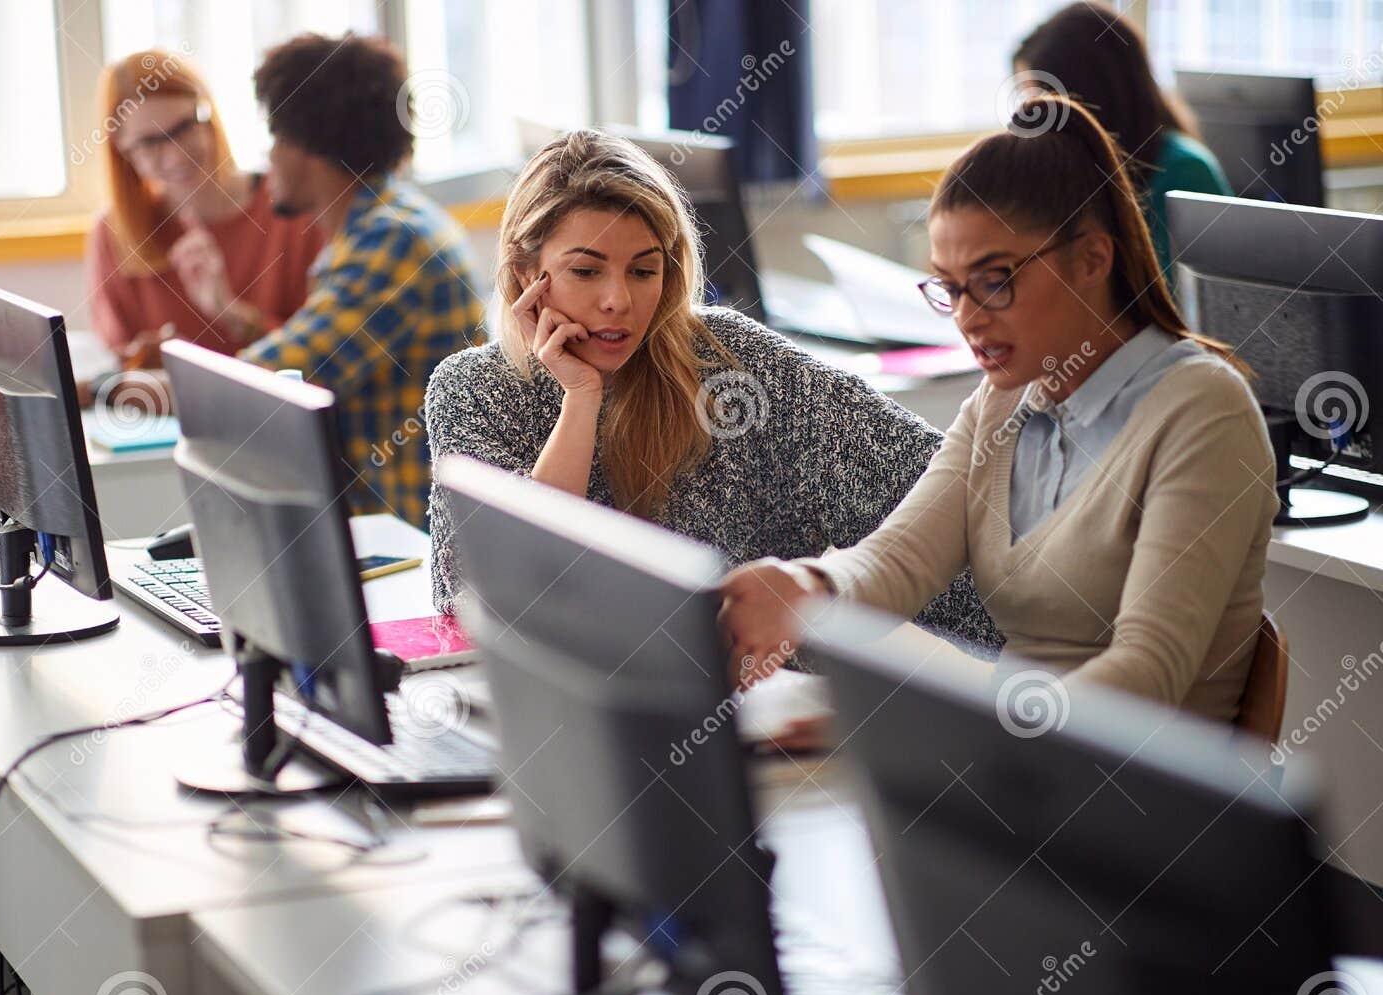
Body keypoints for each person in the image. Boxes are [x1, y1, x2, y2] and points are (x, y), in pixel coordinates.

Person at [720, 96, 1277, 726]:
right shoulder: (1005, 401)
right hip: (1018, 764)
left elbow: (1149, 674)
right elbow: (897, 560)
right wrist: (808, 585)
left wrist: (955, 731)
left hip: (1139, 777)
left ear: (1093, 259)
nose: (967, 317)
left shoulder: (1204, 410)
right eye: (951, 288)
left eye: (994, 280)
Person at [425, 129, 1002, 658]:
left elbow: (946, 503)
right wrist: (581, 399)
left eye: (643, 271)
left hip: (757, 710)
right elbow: (486, 597)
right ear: (527, 274)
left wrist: (1046, 633)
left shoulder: (734, 365)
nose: (618, 301)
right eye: (586, 271)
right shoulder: (472, 387)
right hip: (567, 709)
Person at [238, 33, 482, 528]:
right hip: (386, 531)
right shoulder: (377, 225)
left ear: (311, 146)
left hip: (417, 541)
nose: (269, 157)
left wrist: (120, 389)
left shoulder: (393, 242)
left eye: (277, 137)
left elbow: (272, 381)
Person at [85, 51, 325, 365]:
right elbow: (121, 367)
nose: (176, 156)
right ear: (123, 152)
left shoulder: (293, 208)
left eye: (184, 127)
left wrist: (233, 314)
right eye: (149, 142)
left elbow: (324, 357)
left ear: (208, 118)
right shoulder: (114, 234)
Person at [1013, 1, 1232, 283]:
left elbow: (1176, 297)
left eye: (1039, 99)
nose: (1032, 117)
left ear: (1087, 97)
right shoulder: (1071, 174)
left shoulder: (1185, 171)